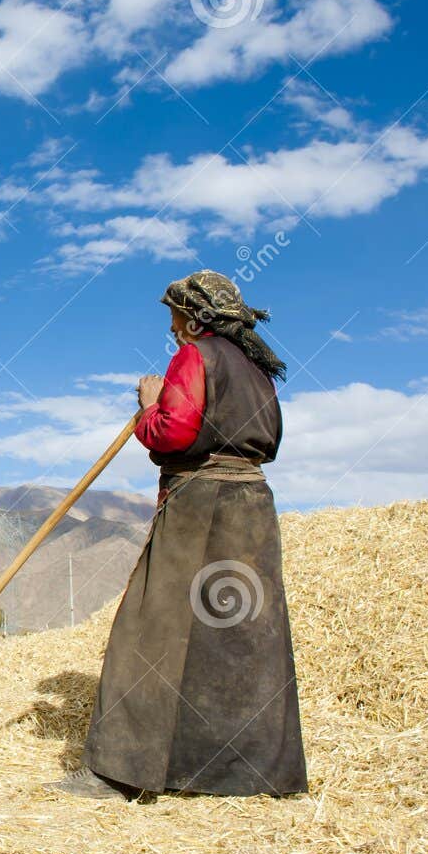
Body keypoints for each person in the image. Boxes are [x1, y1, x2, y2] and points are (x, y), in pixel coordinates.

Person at [56, 269, 308, 801]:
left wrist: (151, 404)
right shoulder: (260, 372)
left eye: (174, 315)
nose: (172, 328)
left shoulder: (195, 357)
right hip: (253, 510)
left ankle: (120, 772)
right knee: (239, 637)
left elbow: (175, 432)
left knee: (149, 629)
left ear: (194, 316)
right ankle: (256, 777)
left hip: (201, 506)